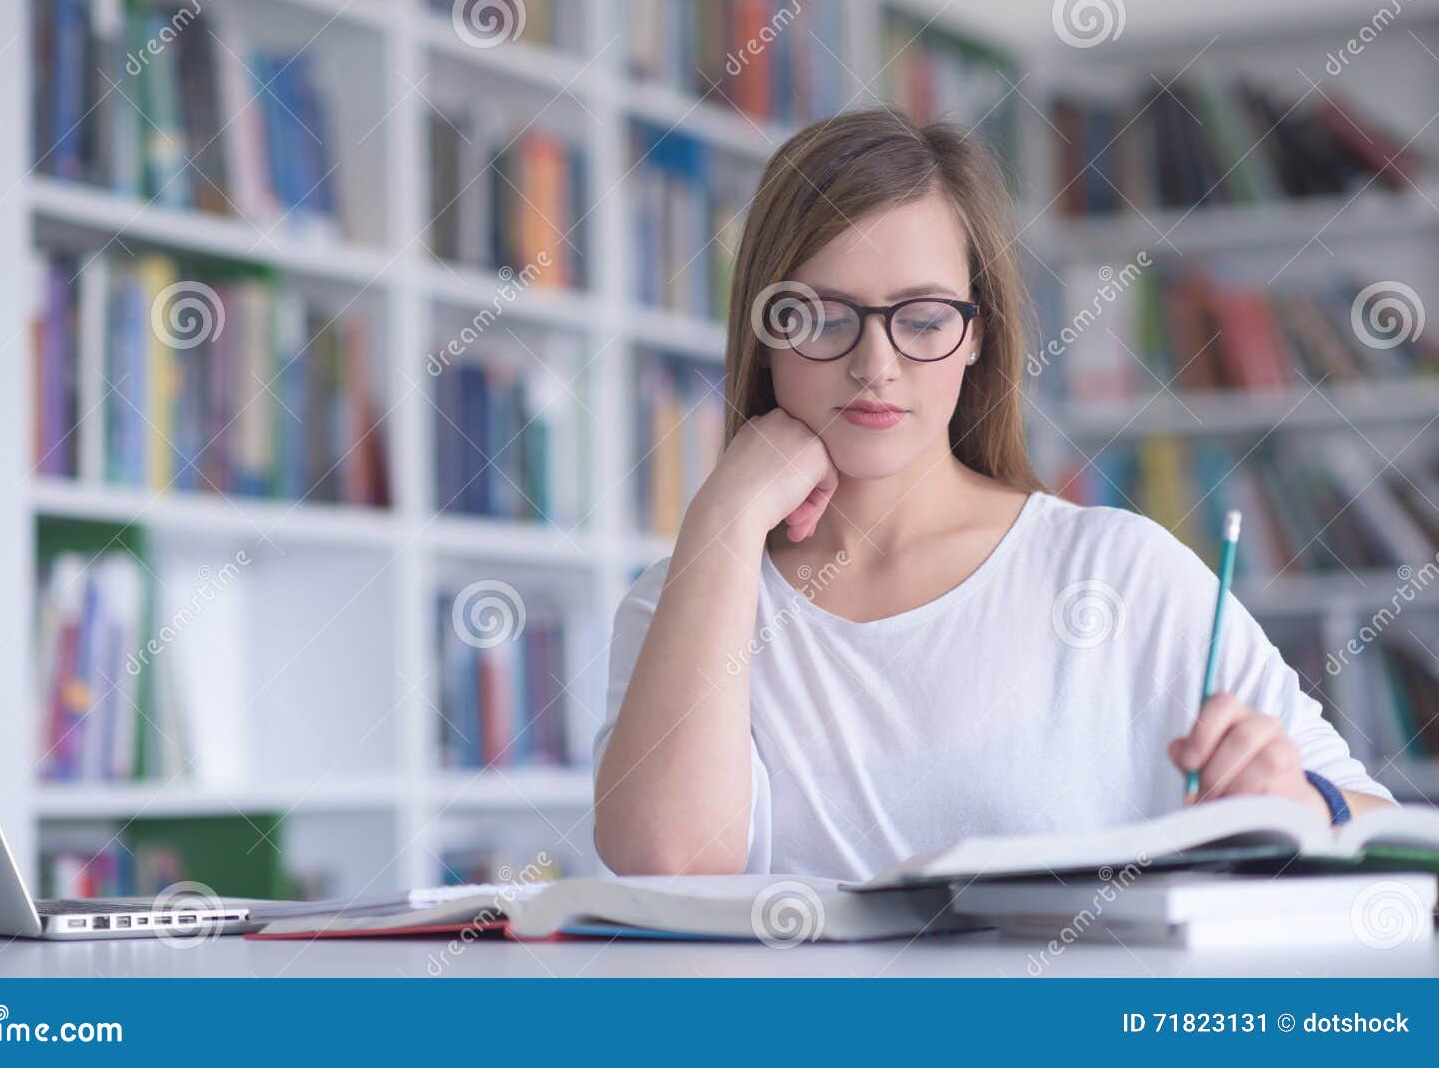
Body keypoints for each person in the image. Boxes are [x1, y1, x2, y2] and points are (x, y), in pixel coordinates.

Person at [592, 107, 1395, 881]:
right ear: (767, 331)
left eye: (925, 317)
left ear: (976, 332)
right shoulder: (684, 599)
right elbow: (671, 862)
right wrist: (724, 522)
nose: (876, 365)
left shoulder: (1120, 574)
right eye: (826, 315)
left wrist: (1298, 803)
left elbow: (1383, 831)